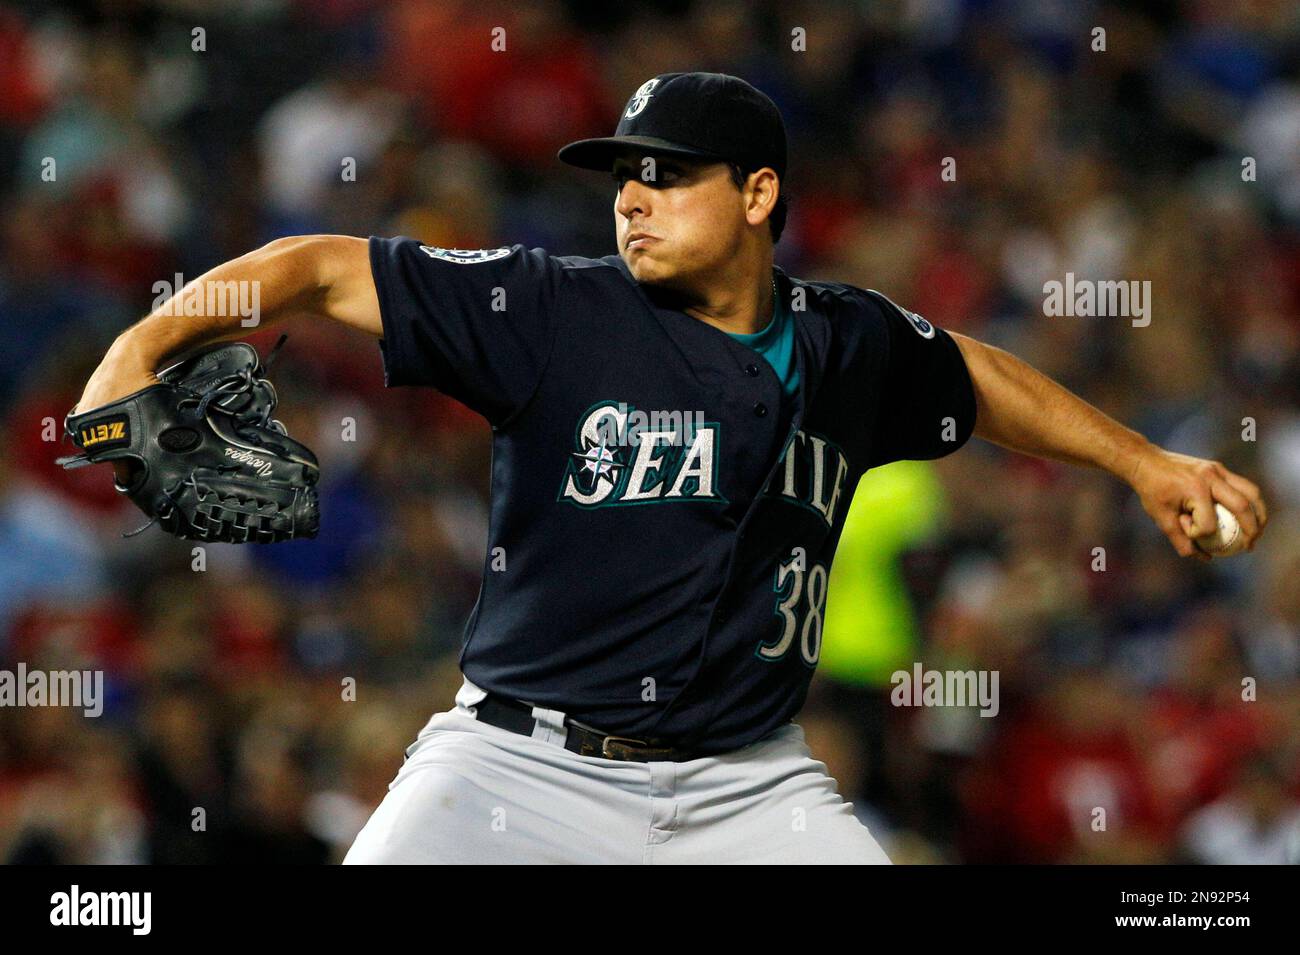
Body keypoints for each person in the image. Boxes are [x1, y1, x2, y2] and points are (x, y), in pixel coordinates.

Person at [72, 72, 1268, 864]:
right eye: (623, 176)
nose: (632, 198)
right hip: (517, 764)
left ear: (758, 195)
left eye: (668, 173)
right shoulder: (548, 309)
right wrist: (144, 340)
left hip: (750, 794)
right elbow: (318, 266)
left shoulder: (846, 341)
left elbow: (972, 375)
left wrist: (1140, 460)